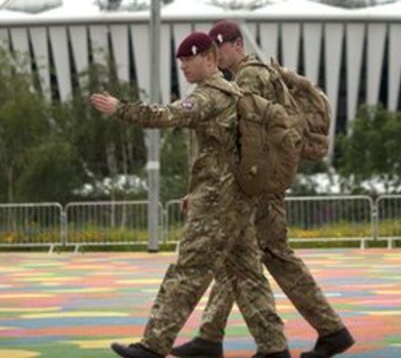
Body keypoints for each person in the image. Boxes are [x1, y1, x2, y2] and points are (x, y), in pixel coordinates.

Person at [90, 31, 290, 358]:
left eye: (189, 59)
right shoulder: (233, 93)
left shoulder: (209, 96)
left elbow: (167, 115)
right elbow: (218, 154)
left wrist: (120, 109)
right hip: (234, 200)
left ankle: (153, 346)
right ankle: (274, 348)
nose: (183, 66)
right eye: (180, 61)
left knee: (188, 271)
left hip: (217, 205)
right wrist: (193, 190)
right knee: (248, 276)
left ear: (210, 58)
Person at [171, 21, 354, 358]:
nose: (216, 53)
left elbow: (250, 140)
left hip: (258, 186)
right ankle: (210, 337)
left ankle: (329, 331)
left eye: (220, 46)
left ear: (237, 44)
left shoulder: (249, 76)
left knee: (270, 255)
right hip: (258, 183)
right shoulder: (252, 75)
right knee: (238, 254)